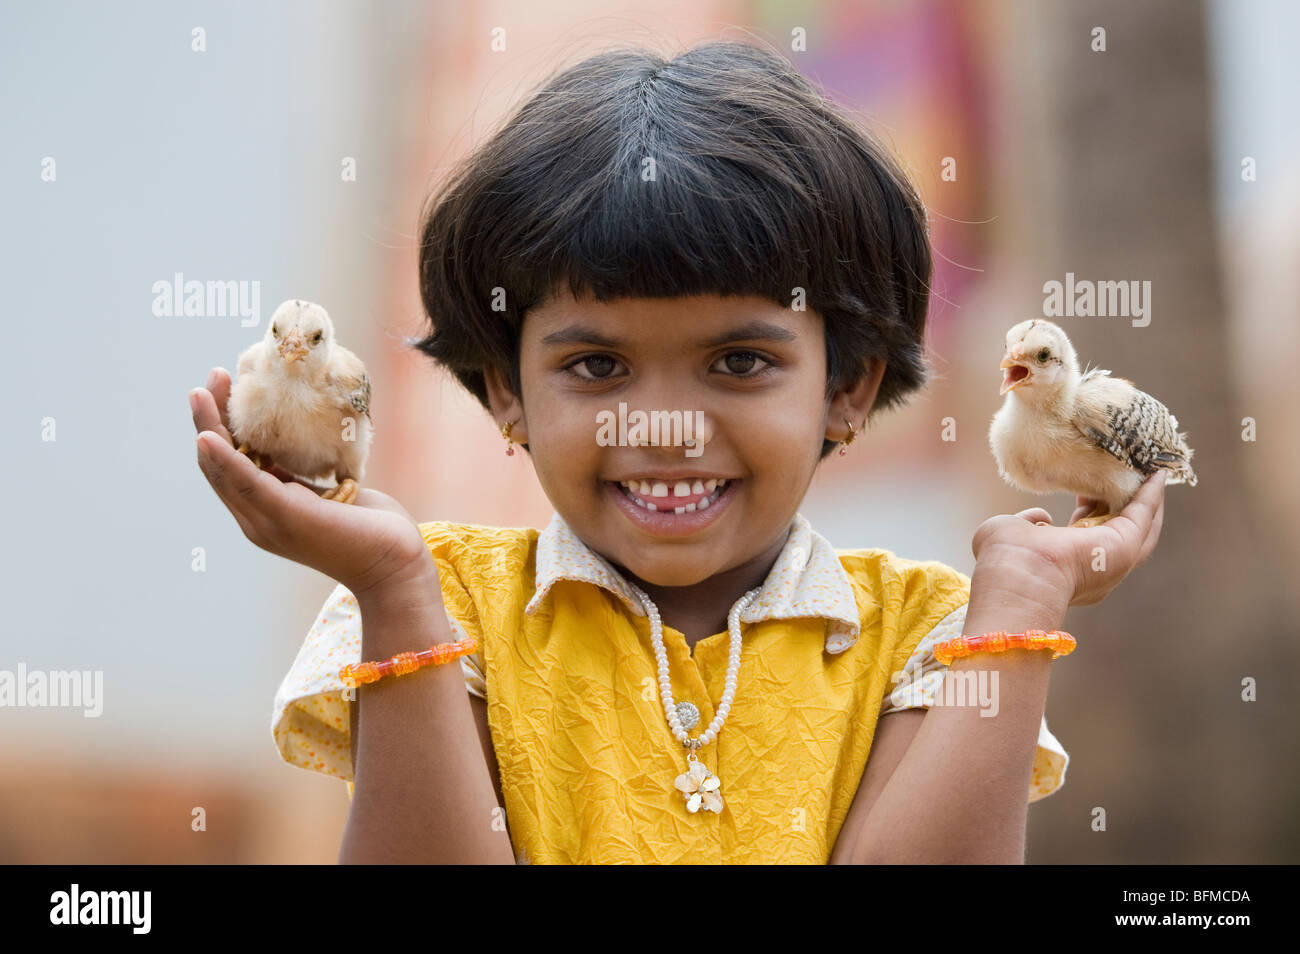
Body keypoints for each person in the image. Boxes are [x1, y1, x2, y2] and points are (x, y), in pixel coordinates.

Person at [189, 40, 1165, 864]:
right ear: (504, 390)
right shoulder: (441, 603)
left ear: (846, 387)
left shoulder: (930, 634)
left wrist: (1021, 601)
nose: (664, 427)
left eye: (738, 361)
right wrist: (393, 590)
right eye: (598, 365)